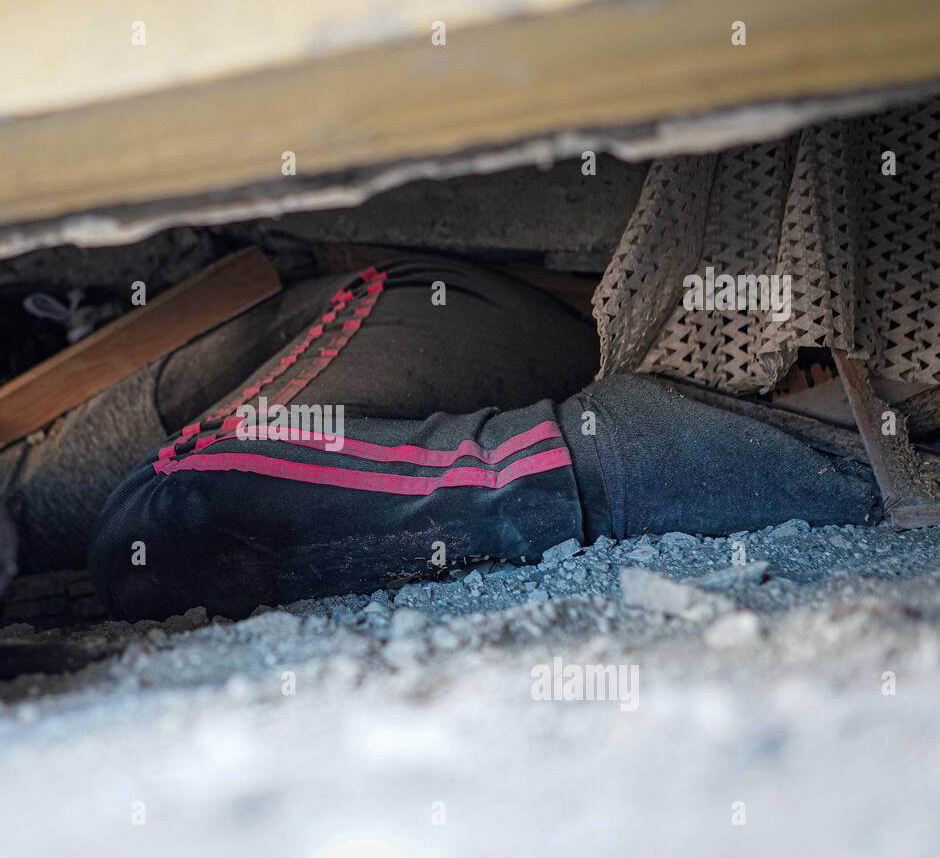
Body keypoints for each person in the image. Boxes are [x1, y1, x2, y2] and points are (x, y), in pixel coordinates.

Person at [78, 257, 881, 620]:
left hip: (441, 307)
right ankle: (835, 448)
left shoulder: (38, 490)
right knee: (153, 537)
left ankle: (644, 450)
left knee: (158, 522)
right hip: (494, 351)